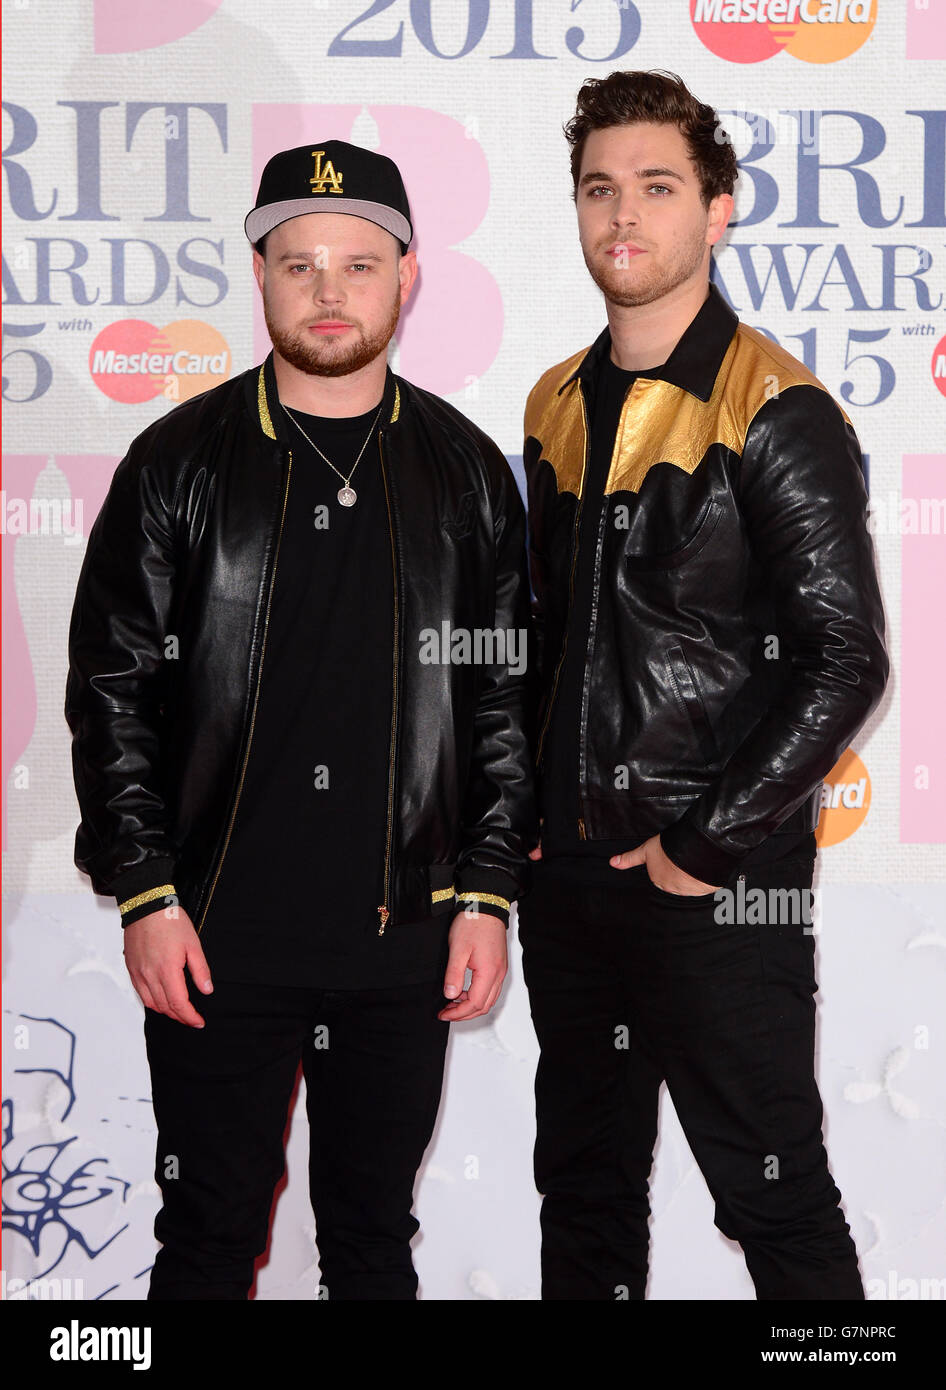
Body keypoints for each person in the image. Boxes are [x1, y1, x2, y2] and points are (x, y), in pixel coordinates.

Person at [65, 140, 534, 1301]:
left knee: (372, 1243)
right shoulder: (176, 461)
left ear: (406, 278)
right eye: (300, 263)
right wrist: (145, 890)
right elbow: (113, 687)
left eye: (359, 265)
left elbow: (501, 704)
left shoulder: (466, 474)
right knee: (209, 1237)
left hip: (401, 940)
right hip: (216, 936)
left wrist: (484, 896)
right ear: (261, 275)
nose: (330, 290)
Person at [519, 71, 888, 1300]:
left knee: (774, 1199)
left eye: (658, 188)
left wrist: (704, 845)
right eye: (599, 188)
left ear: (718, 208)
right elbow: (544, 641)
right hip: (568, 883)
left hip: (718, 887)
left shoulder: (778, 408)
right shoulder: (554, 406)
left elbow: (847, 656)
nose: (623, 215)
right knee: (581, 1189)